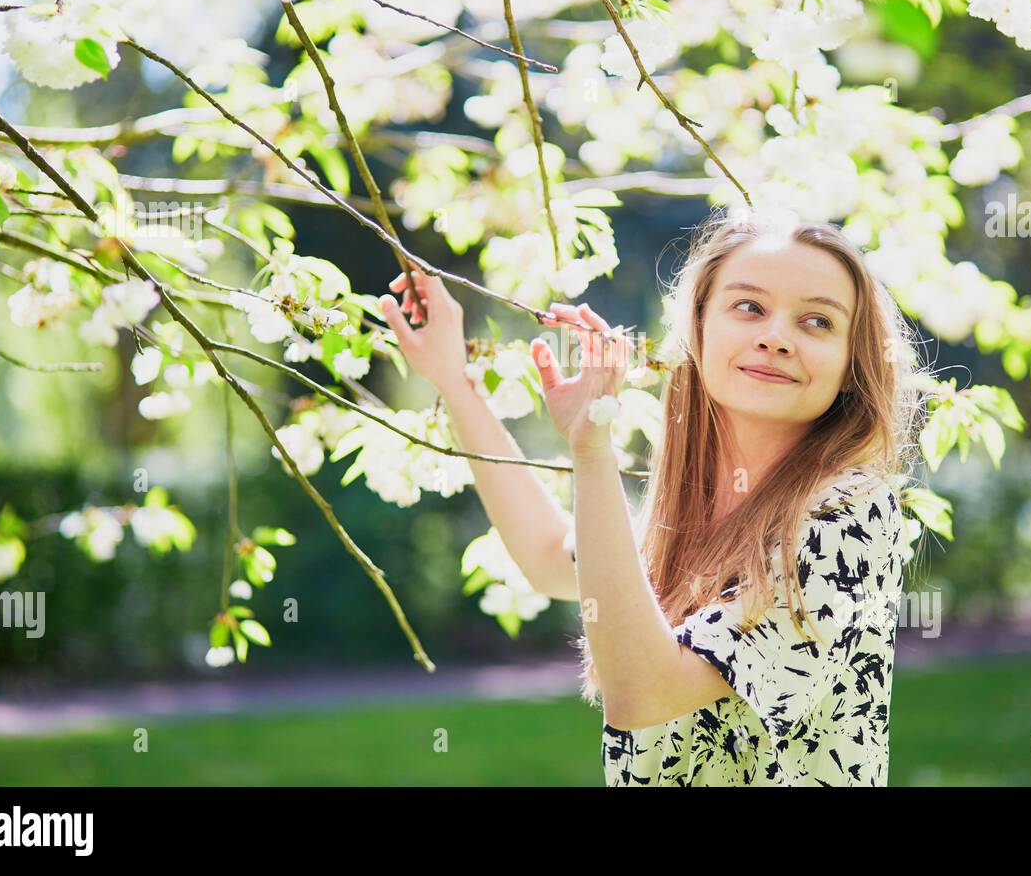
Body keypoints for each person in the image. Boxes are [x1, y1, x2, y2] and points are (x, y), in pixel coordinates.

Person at [377, 205, 926, 786]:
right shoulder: (695, 512)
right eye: (749, 307)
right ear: (698, 327)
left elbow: (645, 692)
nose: (775, 338)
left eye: (817, 322)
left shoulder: (851, 512)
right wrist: (454, 379)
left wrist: (593, 450)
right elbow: (547, 557)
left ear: (851, 362)